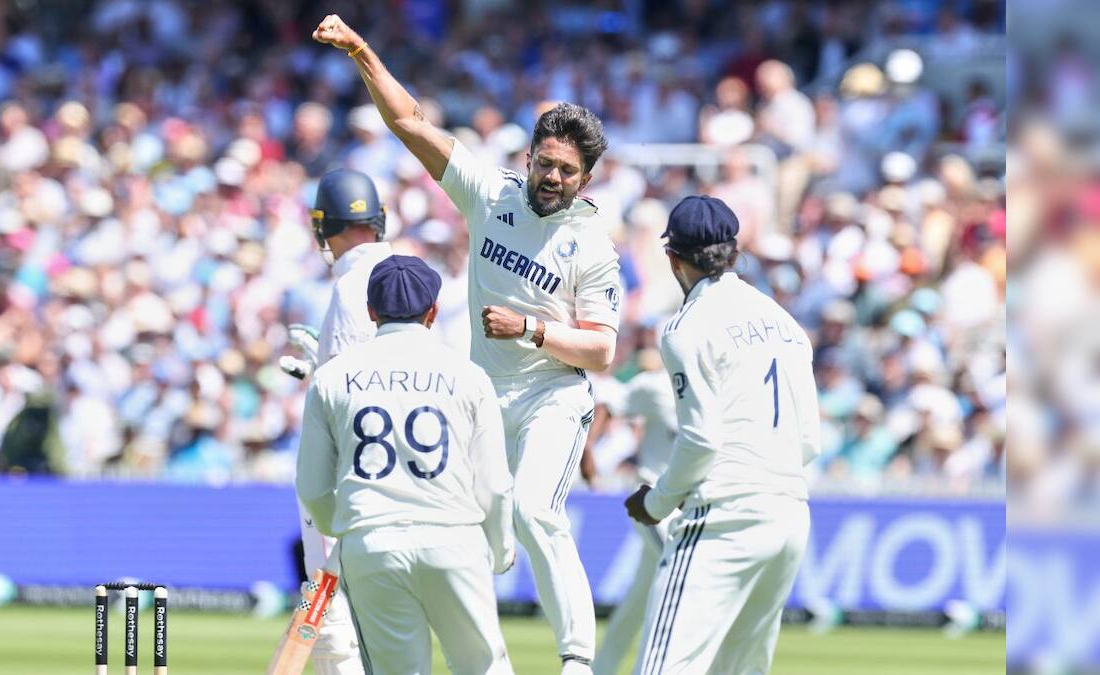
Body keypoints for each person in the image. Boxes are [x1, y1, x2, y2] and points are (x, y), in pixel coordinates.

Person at [313, 15, 622, 673]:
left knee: (537, 512)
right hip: (483, 400)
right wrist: (363, 50)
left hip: (552, 396)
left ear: (586, 179)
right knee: (459, 535)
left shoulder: (592, 249)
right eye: (545, 163)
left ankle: (575, 660)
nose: (552, 178)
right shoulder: (490, 196)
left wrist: (533, 329)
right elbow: (411, 125)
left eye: (567, 171)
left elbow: (601, 351)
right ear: (529, 156)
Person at [624, 196, 821, 674]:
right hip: (789, 515)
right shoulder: (786, 322)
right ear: (734, 253)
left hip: (724, 517)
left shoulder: (685, 328)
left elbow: (702, 440)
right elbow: (810, 440)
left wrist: (656, 504)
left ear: (673, 258)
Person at [296, 255, 516, 675]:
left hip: (373, 544)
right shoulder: (469, 376)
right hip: (453, 539)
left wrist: (345, 529)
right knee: (485, 669)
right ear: (433, 311)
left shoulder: (331, 378)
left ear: (371, 311)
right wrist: (501, 549)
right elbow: (495, 484)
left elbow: (312, 488)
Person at [283, 167, 392, 675]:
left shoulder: (351, 286)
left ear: (322, 227)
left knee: (328, 611)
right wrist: (317, 367)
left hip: (346, 473)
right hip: (403, 468)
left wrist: (320, 378)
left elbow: (353, 393)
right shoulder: (400, 270)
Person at [590, 347, 680, 675]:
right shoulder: (654, 385)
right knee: (678, 577)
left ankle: (599, 670)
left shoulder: (715, 387)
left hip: (685, 510)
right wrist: (588, 452)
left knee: (637, 602)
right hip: (650, 502)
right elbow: (610, 405)